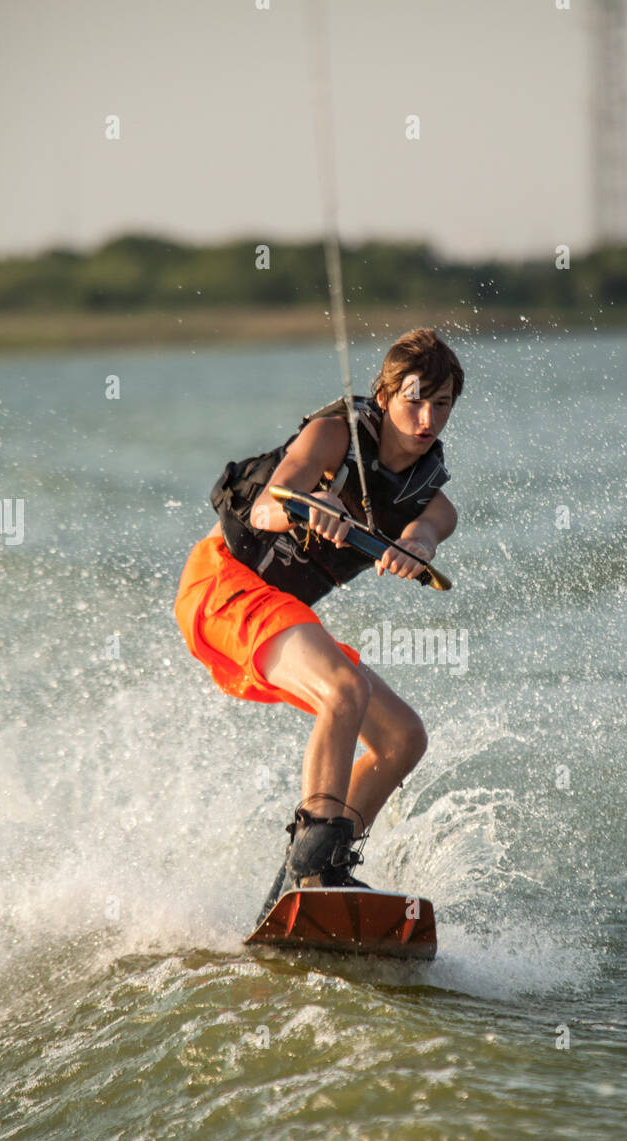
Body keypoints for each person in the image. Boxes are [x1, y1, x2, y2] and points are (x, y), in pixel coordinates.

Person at [174, 327, 464, 927]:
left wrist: (414, 547)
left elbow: (429, 529)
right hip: (222, 584)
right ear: (384, 398)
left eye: (442, 404)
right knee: (344, 690)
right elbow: (263, 506)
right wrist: (310, 505)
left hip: (277, 615)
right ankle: (316, 865)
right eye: (415, 399)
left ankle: (298, 884)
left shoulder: (430, 497)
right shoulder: (334, 435)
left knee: (403, 737)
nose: (427, 417)